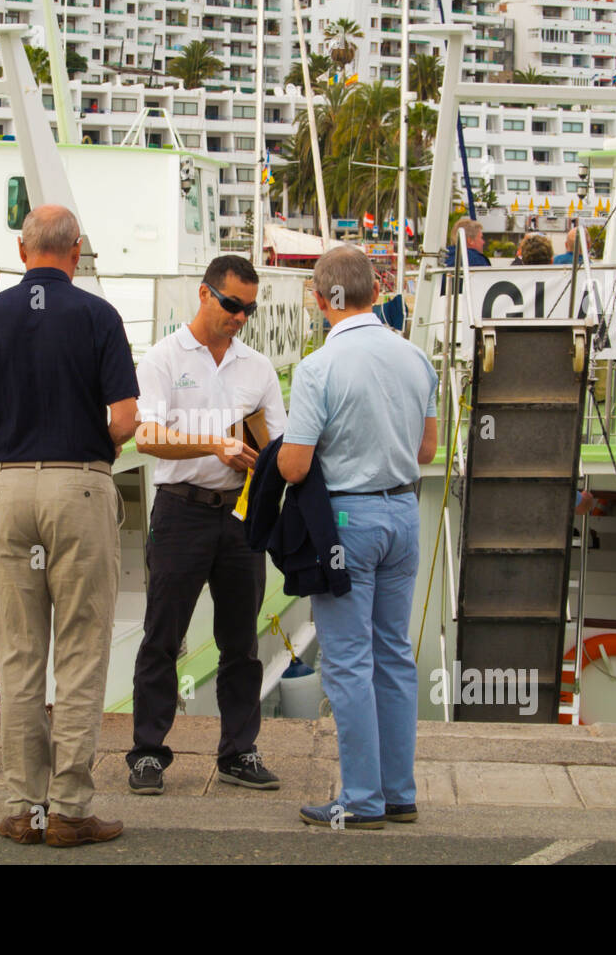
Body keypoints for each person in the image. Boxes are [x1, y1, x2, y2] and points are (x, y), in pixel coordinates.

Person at [0, 204, 139, 848]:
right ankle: (70, 809)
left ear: (22, 250)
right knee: (81, 652)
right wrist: (97, 452)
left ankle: (23, 806)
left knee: (22, 652)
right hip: (78, 483)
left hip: (9, 487)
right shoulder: (98, 316)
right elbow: (127, 419)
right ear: (76, 250)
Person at [277, 245, 438, 830]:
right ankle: (399, 792)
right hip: (402, 514)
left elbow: (294, 466)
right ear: (375, 291)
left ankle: (363, 798)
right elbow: (427, 451)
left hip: (348, 520)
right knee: (394, 655)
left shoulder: (320, 368)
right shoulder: (417, 358)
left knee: (347, 661)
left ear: (322, 300)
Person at [125, 255, 288, 797]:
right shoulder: (163, 359)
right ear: (204, 294)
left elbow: (277, 443)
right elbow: (144, 437)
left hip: (240, 517)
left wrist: (261, 455)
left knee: (240, 643)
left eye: (249, 309)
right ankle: (148, 753)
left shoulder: (258, 368)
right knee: (161, 638)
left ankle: (239, 751)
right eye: (232, 305)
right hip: (181, 511)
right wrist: (214, 444)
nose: (240, 317)